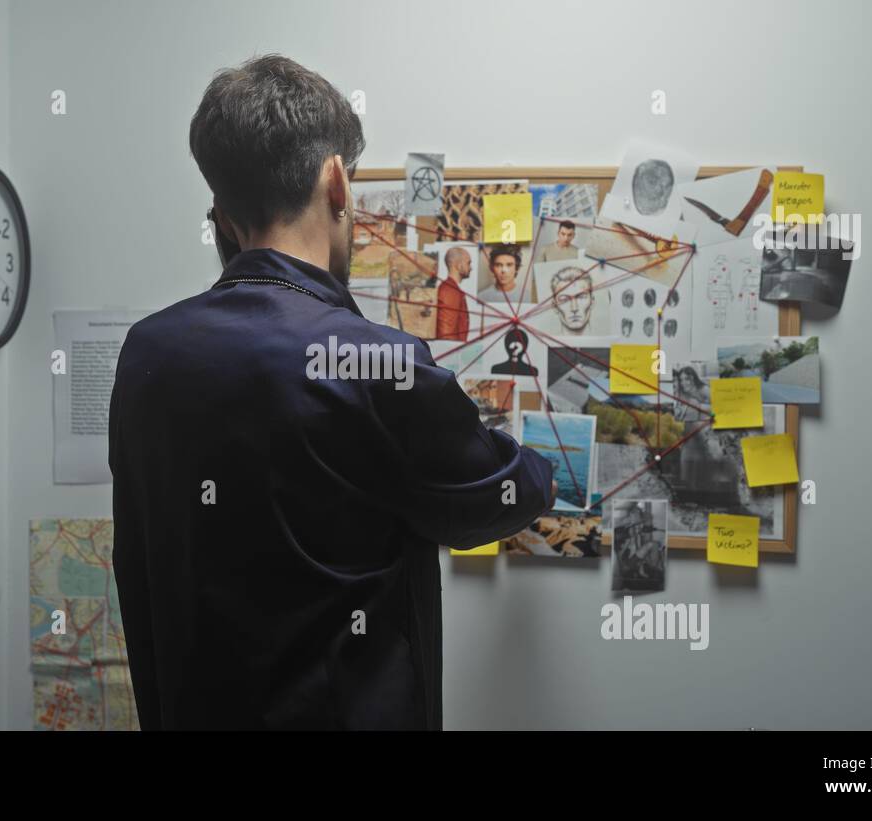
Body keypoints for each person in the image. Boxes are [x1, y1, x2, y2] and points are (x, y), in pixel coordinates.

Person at [109, 55, 555, 730]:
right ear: (337, 181)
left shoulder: (148, 353)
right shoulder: (376, 363)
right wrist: (535, 464)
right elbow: (504, 492)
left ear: (224, 217)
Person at [435, 246, 472, 340]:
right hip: (452, 350)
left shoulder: (451, 289)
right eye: (468, 263)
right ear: (459, 265)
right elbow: (446, 333)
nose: (471, 268)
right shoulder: (450, 291)